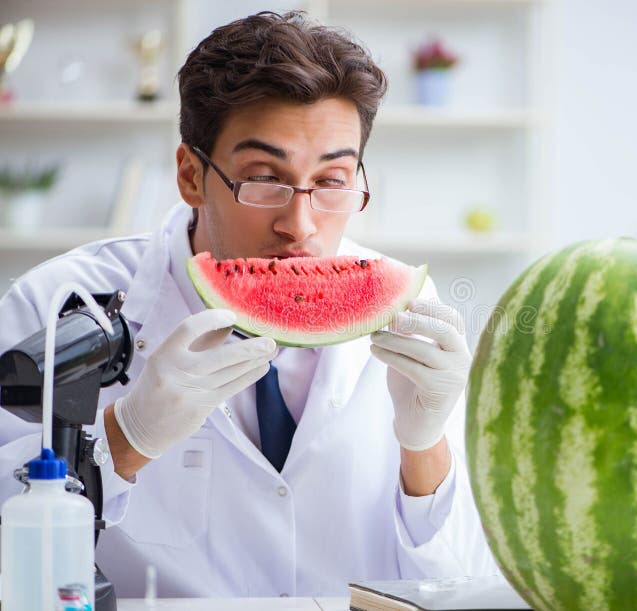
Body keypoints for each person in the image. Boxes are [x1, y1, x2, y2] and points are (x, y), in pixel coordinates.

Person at [0, 11, 498, 597]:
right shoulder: (55, 305)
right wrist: (125, 438)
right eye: (264, 177)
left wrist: (425, 447)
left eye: (333, 181)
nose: (301, 224)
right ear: (190, 174)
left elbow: (459, 584)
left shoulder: (411, 314)